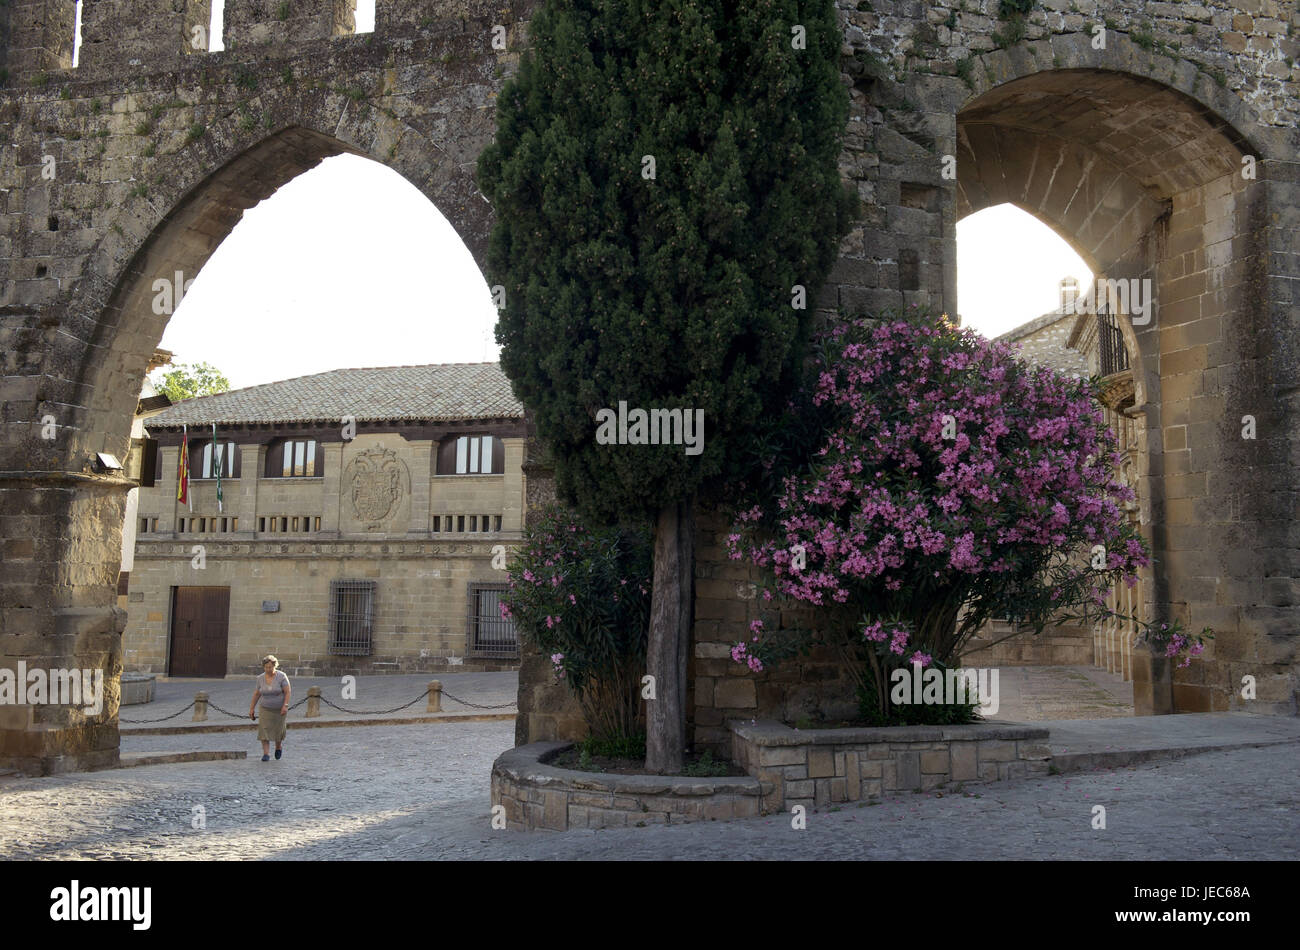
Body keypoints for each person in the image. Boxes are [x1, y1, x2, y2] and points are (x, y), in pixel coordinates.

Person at [249, 654, 290, 761]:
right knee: (264, 730)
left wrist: (285, 705)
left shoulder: (281, 676)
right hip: (265, 708)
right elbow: (257, 693)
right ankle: (266, 754)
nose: (268, 669)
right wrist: (252, 708)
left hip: (279, 708)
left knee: (278, 730)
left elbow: (287, 691)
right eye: (266, 667)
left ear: (274, 666)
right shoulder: (260, 678)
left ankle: (278, 747)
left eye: (270, 667)